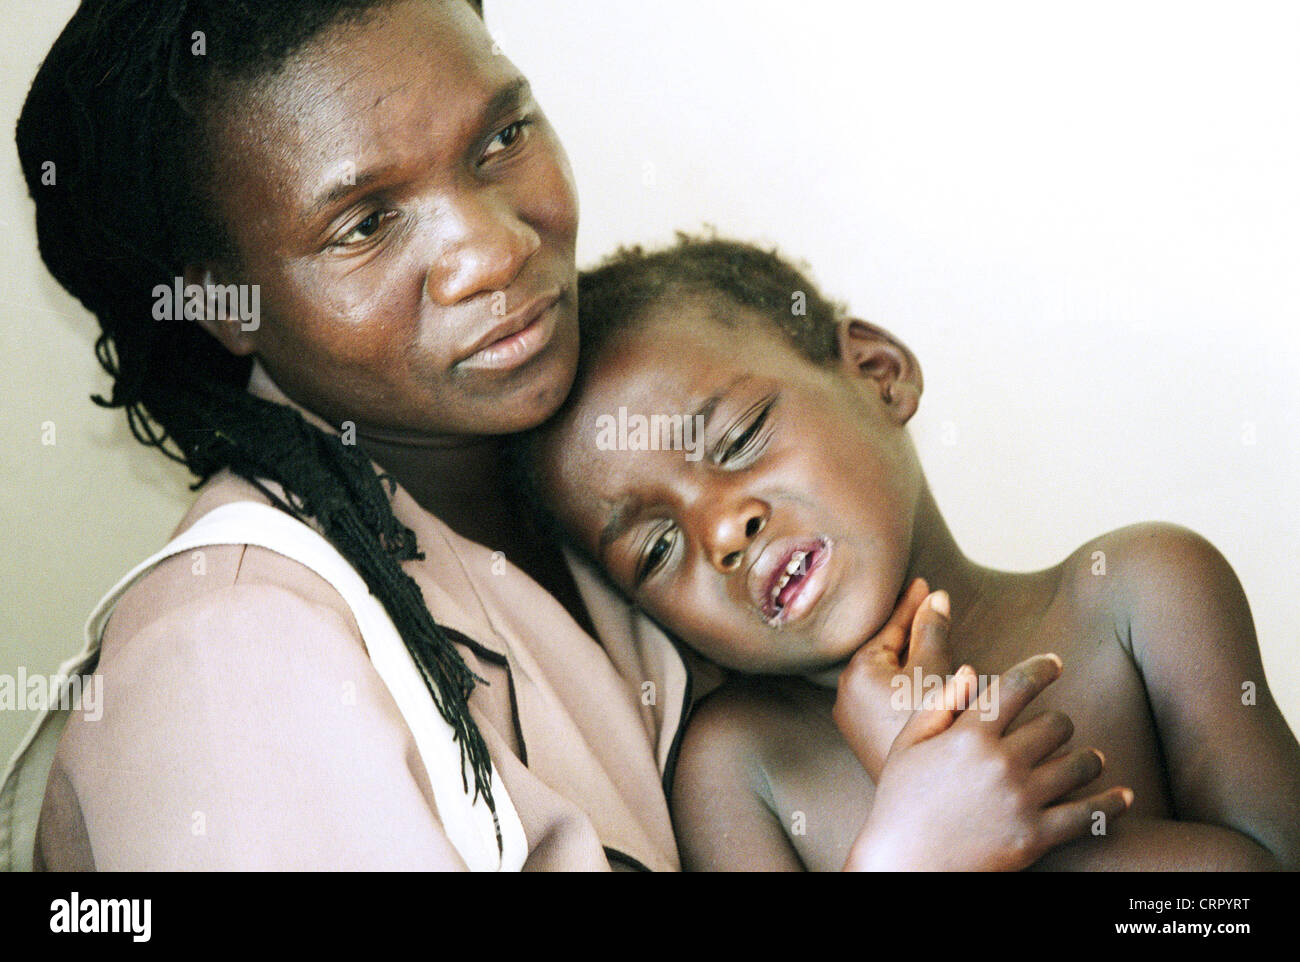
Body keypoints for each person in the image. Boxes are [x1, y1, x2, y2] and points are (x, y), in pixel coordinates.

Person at [3, 0, 697, 871]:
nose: (492, 250)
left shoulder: (638, 459)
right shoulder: (231, 658)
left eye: (502, 138)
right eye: (365, 224)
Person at [520, 234, 1300, 870]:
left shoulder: (1142, 595)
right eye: (656, 551)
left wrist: (981, 801)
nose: (723, 533)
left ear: (879, 374)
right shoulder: (740, 768)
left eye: (739, 437)